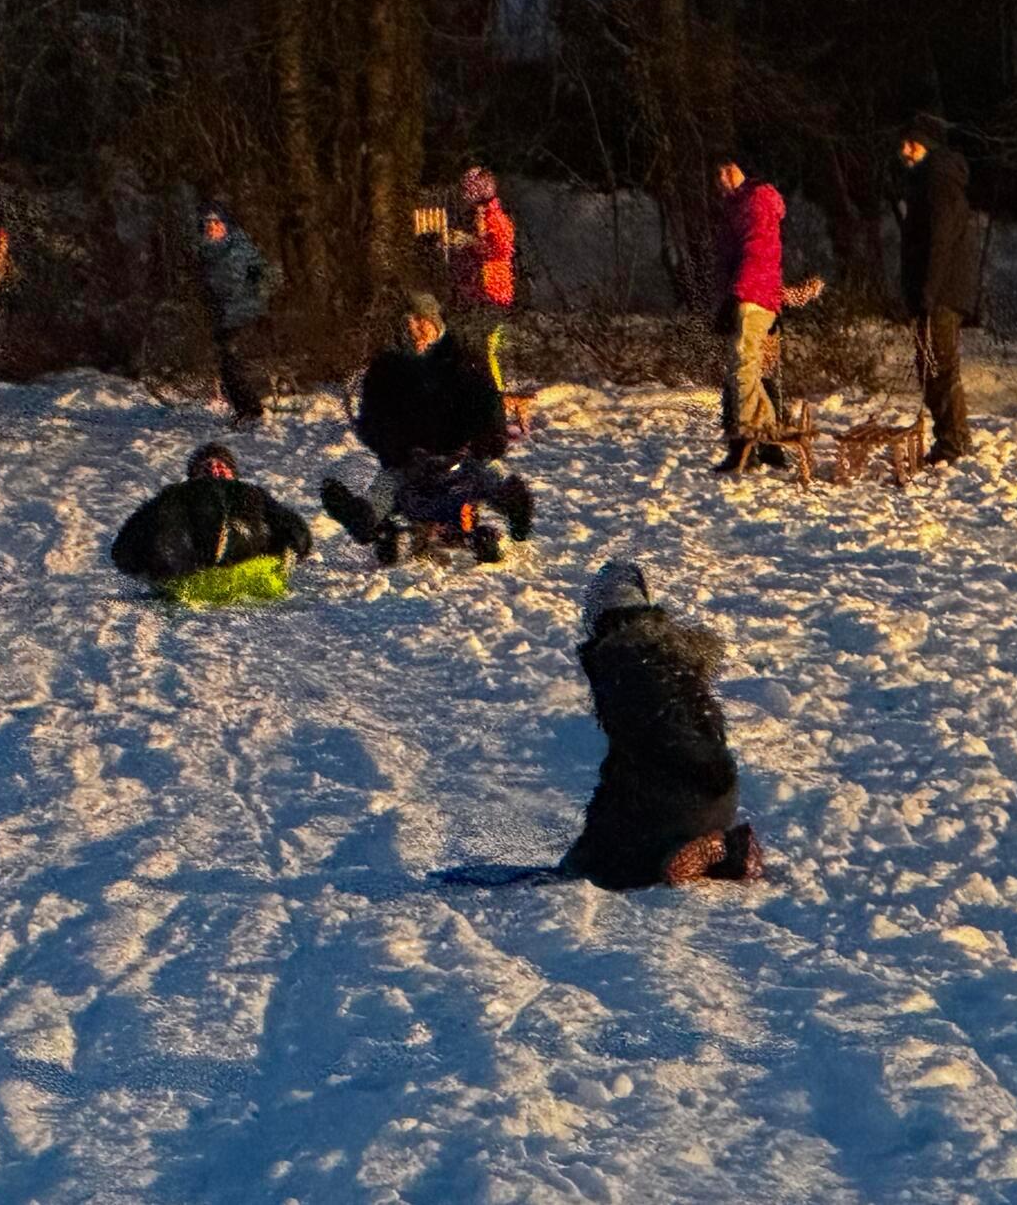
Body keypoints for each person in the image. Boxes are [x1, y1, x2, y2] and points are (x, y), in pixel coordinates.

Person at [558, 561, 764, 890]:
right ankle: (722, 848)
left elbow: (638, 754)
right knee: (611, 853)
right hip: (718, 793)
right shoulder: (675, 654)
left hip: (678, 797)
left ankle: (716, 851)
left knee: (604, 870)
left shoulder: (620, 660)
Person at [320, 292, 528, 562]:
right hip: (409, 461)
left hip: (461, 457)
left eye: (421, 321)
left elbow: (490, 408)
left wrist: (487, 441)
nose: (415, 328)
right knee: (386, 489)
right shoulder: (388, 368)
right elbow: (373, 420)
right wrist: (394, 448)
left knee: (490, 477)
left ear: (435, 323)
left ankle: (510, 518)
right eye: (409, 321)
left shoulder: (463, 361)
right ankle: (368, 521)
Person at [110, 442, 313, 602]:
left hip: (245, 559)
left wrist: (294, 543)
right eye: (206, 467)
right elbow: (133, 534)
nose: (214, 472)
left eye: (220, 466)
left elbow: (288, 523)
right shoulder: (177, 495)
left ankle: (229, 541)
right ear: (193, 476)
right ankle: (205, 547)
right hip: (187, 564)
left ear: (233, 473)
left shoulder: (252, 494)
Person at [897, 114, 977, 465]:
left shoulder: (939, 183)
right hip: (939, 292)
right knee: (933, 367)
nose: (904, 150)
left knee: (939, 368)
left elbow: (939, 243)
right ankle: (951, 439)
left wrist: (927, 292)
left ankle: (953, 442)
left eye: (912, 143)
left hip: (941, 294)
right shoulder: (930, 181)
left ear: (928, 146)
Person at [709, 155, 790, 473]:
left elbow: (758, 252)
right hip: (752, 294)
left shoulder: (757, 200)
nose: (723, 179)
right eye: (718, 173)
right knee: (741, 371)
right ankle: (766, 442)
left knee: (743, 369)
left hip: (753, 296)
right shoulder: (738, 205)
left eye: (729, 169)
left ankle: (752, 444)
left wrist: (736, 296)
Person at [194, 202, 280, 426]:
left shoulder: (239, 247)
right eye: (207, 224)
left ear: (225, 226)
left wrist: (259, 292)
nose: (211, 228)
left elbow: (264, 272)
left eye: (216, 223)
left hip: (244, 313)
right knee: (226, 365)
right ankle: (245, 409)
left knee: (233, 363)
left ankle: (253, 410)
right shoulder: (205, 252)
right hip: (224, 315)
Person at [447, 166, 518, 386]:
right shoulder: (475, 218)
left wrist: (469, 242)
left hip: (492, 295)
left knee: (486, 350)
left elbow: (500, 250)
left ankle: (494, 396)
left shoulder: (496, 218)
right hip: (475, 294)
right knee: (471, 349)